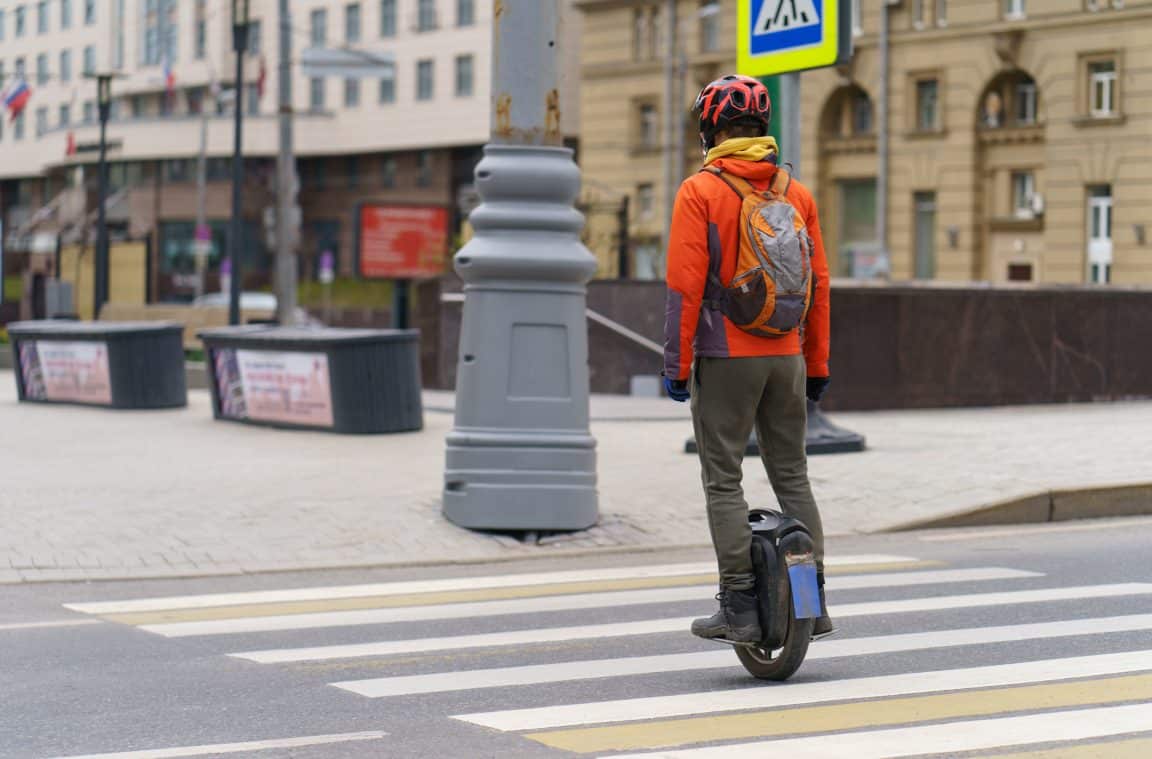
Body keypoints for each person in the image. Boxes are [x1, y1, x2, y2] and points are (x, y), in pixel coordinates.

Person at [662, 74, 834, 643]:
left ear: (711, 131)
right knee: (792, 475)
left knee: (724, 480)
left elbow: (684, 287)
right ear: (763, 131)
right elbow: (821, 285)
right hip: (786, 357)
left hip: (727, 354)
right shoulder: (796, 193)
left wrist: (675, 364)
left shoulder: (700, 190)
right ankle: (813, 600)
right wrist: (818, 364)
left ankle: (737, 603)